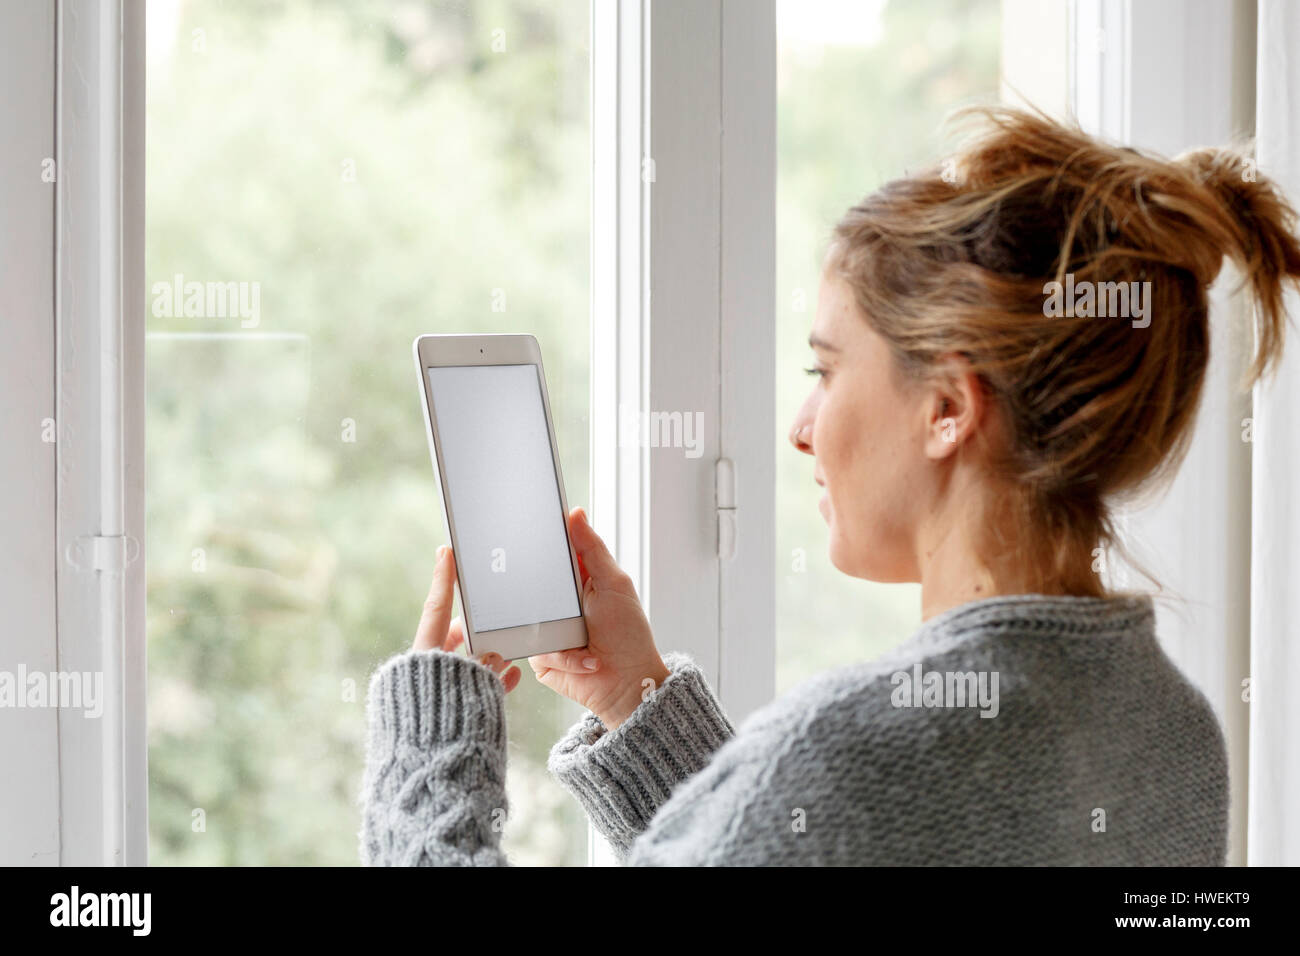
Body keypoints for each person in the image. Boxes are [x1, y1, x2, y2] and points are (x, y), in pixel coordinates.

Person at [359, 107, 1300, 866]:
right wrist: (637, 700)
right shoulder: (1174, 736)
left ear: (948, 408)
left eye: (825, 371)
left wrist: (431, 751)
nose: (802, 429)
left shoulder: (841, 758)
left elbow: (822, 814)